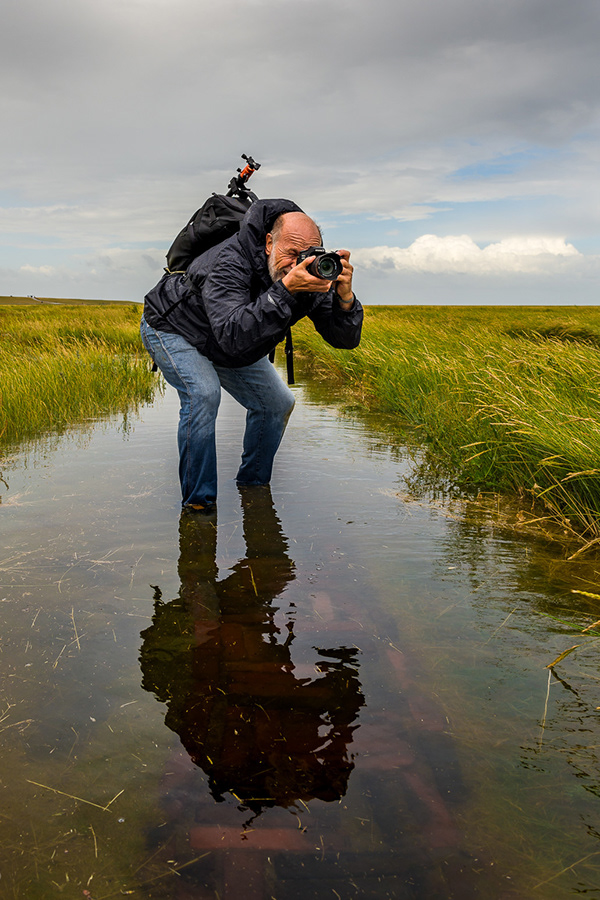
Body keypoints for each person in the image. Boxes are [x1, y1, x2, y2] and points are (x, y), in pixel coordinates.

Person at [140, 197, 363, 512]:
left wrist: (345, 298)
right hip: (173, 326)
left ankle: (254, 488)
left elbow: (344, 339)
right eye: (291, 253)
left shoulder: (310, 276)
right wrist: (286, 290)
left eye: (308, 255)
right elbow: (233, 337)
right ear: (269, 243)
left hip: (226, 337)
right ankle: (199, 506)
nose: (297, 263)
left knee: (277, 404)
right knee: (203, 394)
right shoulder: (228, 262)